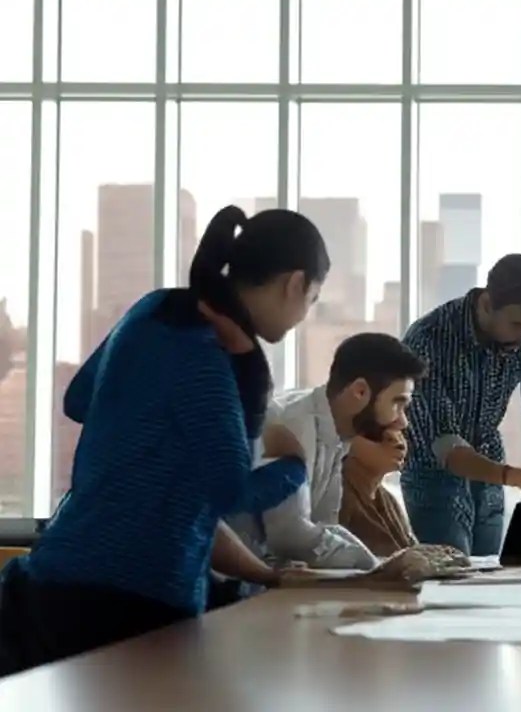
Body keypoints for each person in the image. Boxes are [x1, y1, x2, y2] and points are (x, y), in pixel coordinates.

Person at [0, 205, 329, 675]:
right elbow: (230, 493)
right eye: (312, 300)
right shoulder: (210, 356)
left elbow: (77, 400)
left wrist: (151, 438)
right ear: (295, 284)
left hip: (54, 583)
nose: (304, 315)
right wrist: (295, 465)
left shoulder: (154, 309)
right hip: (126, 604)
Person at [401, 253, 521, 555]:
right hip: (433, 479)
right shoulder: (428, 339)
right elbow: (446, 445)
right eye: (517, 323)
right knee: (450, 582)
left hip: (491, 472)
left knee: (491, 577)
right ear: (486, 304)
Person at [228, 332, 425, 570]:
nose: (402, 421)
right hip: (230, 585)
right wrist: (373, 568)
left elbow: (325, 524)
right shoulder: (295, 426)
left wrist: (376, 566)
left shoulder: (337, 437)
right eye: (398, 403)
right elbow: (289, 534)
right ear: (360, 391)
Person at [340, 428, 418, 557]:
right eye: (377, 432)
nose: (399, 443)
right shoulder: (335, 496)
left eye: (401, 432)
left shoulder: (388, 499)